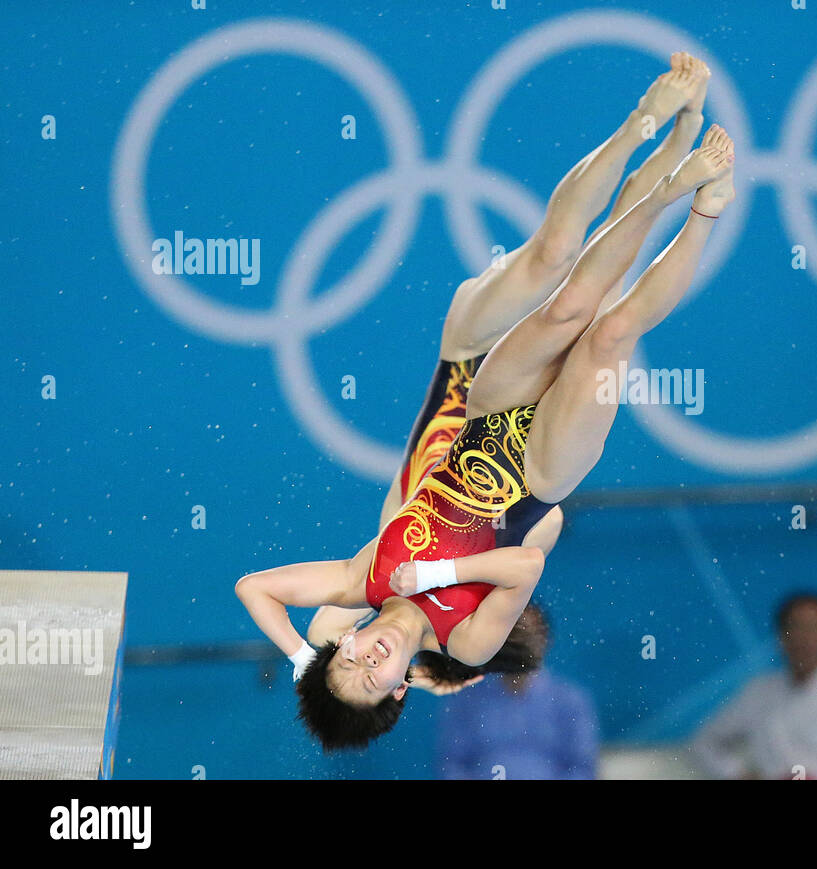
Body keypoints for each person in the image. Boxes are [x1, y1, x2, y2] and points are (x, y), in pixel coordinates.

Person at [237, 111, 736, 749]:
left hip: (486, 417)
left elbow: (253, 588)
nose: (368, 660)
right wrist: (437, 580)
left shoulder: (361, 578)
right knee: (610, 331)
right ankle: (705, 210)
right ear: (399, 687)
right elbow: (525, 565)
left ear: (346, 638)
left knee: (568, 306)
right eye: (374, 676)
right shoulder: (465, 643)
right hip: (541, 474)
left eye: (347, 658)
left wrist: (303, 660)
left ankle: (664, 189)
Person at [690, 592, 817, 779]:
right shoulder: (759, 691)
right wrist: (737, 774)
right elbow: (704, 742)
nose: (804, 638)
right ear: (781, 637)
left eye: (812, 628)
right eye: (795, 628)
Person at [438, 604, 599, 779]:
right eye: (513, 636)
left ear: (545, 640)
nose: (520, 646)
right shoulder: (467, 700)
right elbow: (451, 765)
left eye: (527, 637)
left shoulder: (570, 701)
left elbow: (583, 768)